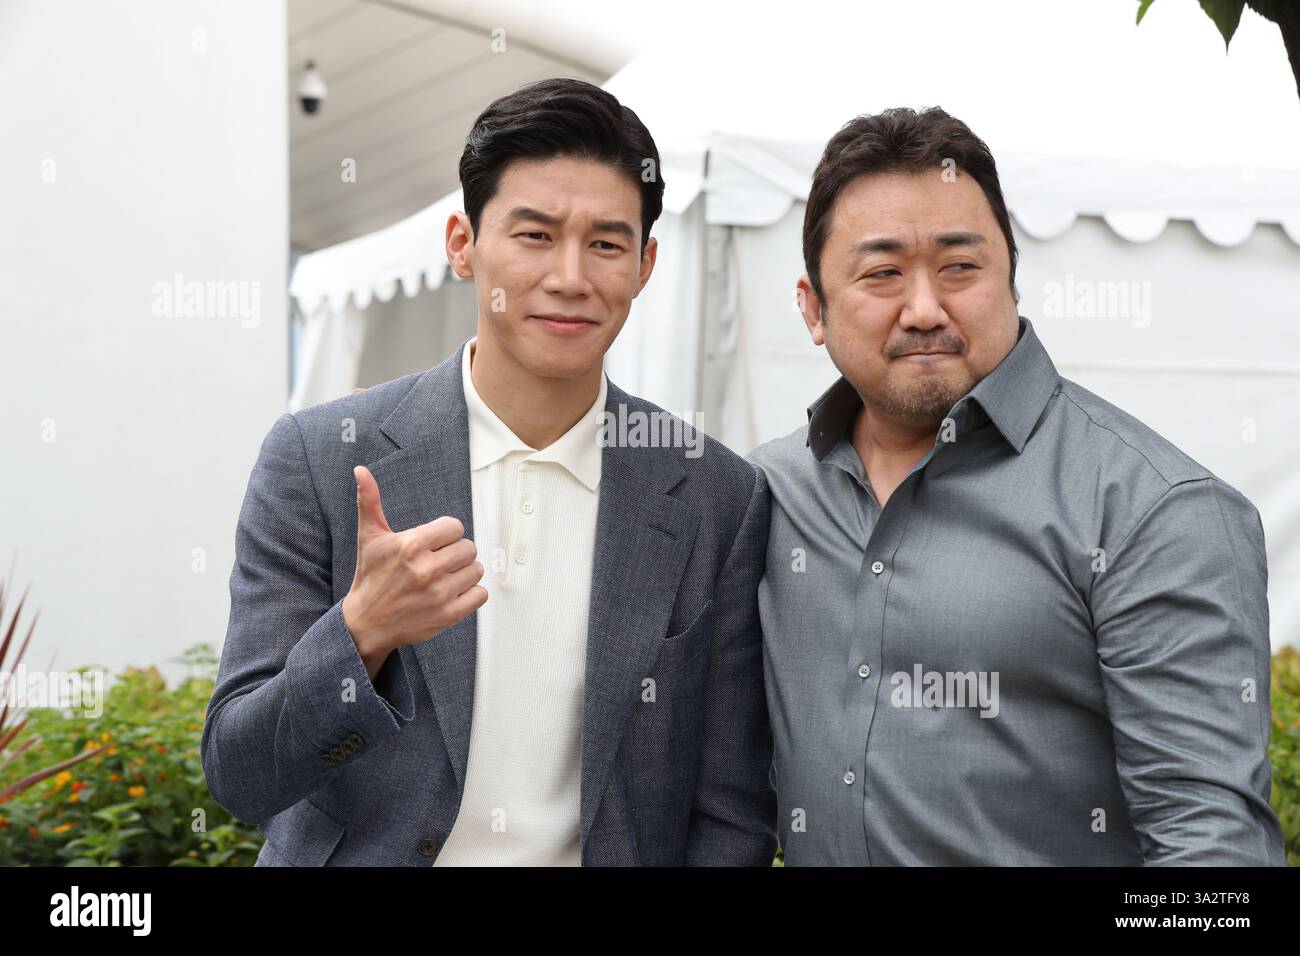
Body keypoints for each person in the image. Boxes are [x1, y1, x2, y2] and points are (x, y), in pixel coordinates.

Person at [202, 77, 776, 866]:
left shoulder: (716, 493)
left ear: (644, 265)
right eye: (534, 235)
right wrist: (361, 634)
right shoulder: (320, 458)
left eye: (606, 244)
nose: (571, 276)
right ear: (463, 245)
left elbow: (731, 810)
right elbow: (240, 773)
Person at [750, 106, 1285, 865]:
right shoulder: (766, 494)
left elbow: (1210, 852)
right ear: (813, 307)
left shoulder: (1153, 510)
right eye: (882, 274)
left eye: (960, 267)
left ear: (1011, 279)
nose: (926, 308)